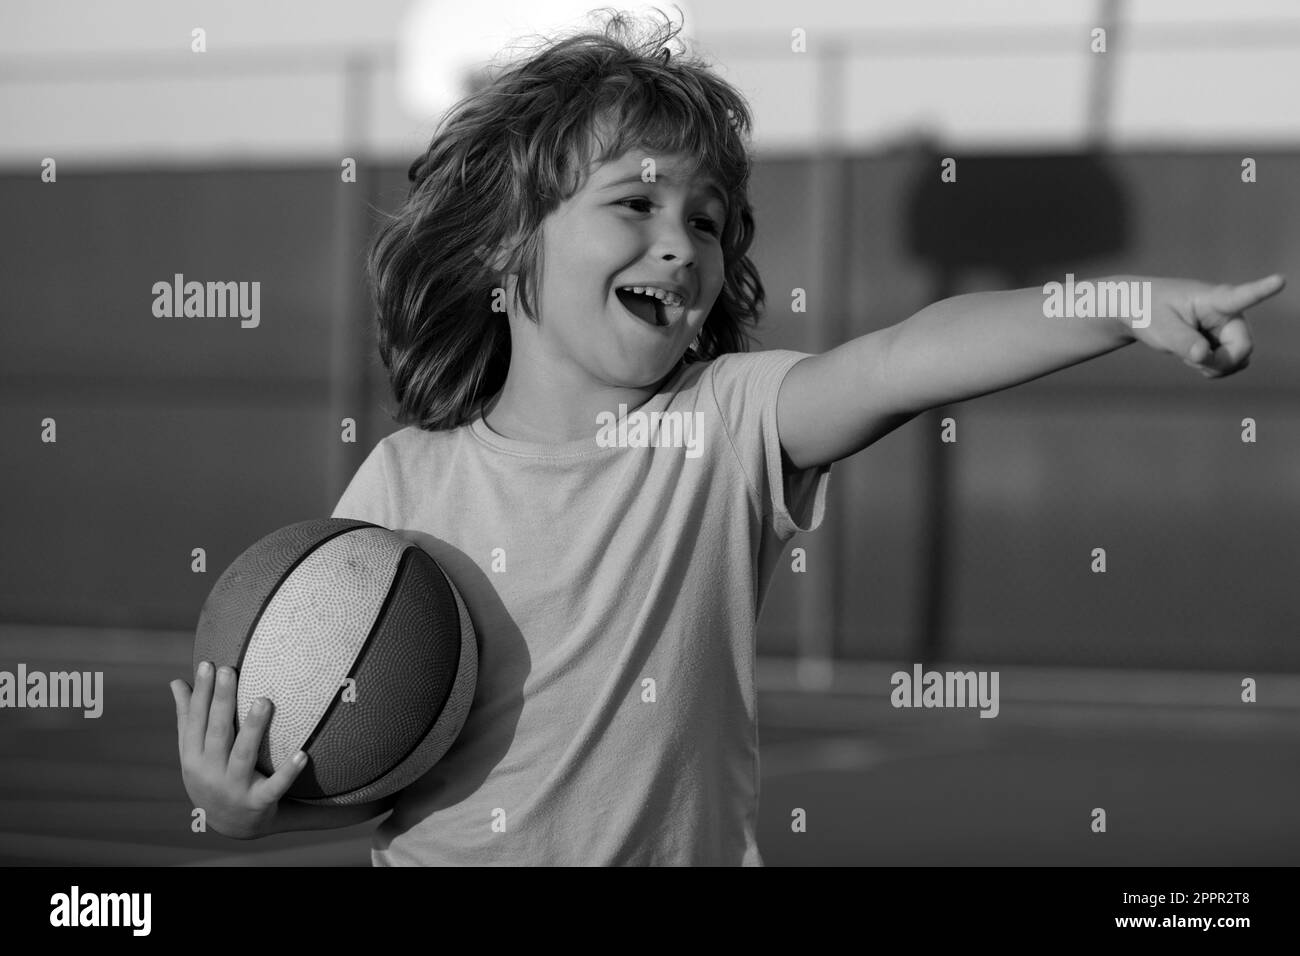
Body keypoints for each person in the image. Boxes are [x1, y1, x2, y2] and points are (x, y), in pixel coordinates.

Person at [169, 11, 1284, 865]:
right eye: (636, 204)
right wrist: (236, 804)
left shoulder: (725, 425)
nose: (680, 243)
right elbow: (355, 734)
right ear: (509, 252)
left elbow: (903, 358)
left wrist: (1117, 304)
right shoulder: (402, 485)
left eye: (705, 219)